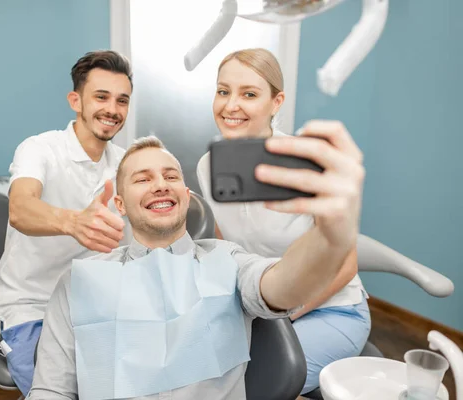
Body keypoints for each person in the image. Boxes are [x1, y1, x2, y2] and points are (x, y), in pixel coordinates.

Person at [28, 124, 366, 399]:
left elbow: (284, 285)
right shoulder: (78, 285)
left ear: (186, 197)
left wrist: (330, 235)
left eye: (172, 177)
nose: (160, 185)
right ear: (120, 203)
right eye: (143, 179)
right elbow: (51, 390)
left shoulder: (227, 260)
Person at [196, 48, 371, 395]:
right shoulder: (208, 166)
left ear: (276, 102)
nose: (231, 105)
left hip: (330, 311)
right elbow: (225, 243)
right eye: (222, 91)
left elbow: (346, 266)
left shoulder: (304, 165)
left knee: (246, 385)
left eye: (249, 94)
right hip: (263, 307)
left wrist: (278, 315)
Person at [0, 50, 134, 396]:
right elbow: (21, 208)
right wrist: (73, 222)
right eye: (101, 97)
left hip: (96, 306)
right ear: (76, 100)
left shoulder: (124, 162)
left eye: (122, 101)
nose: (112, 110)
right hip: (31, 308)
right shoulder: (40, 149)